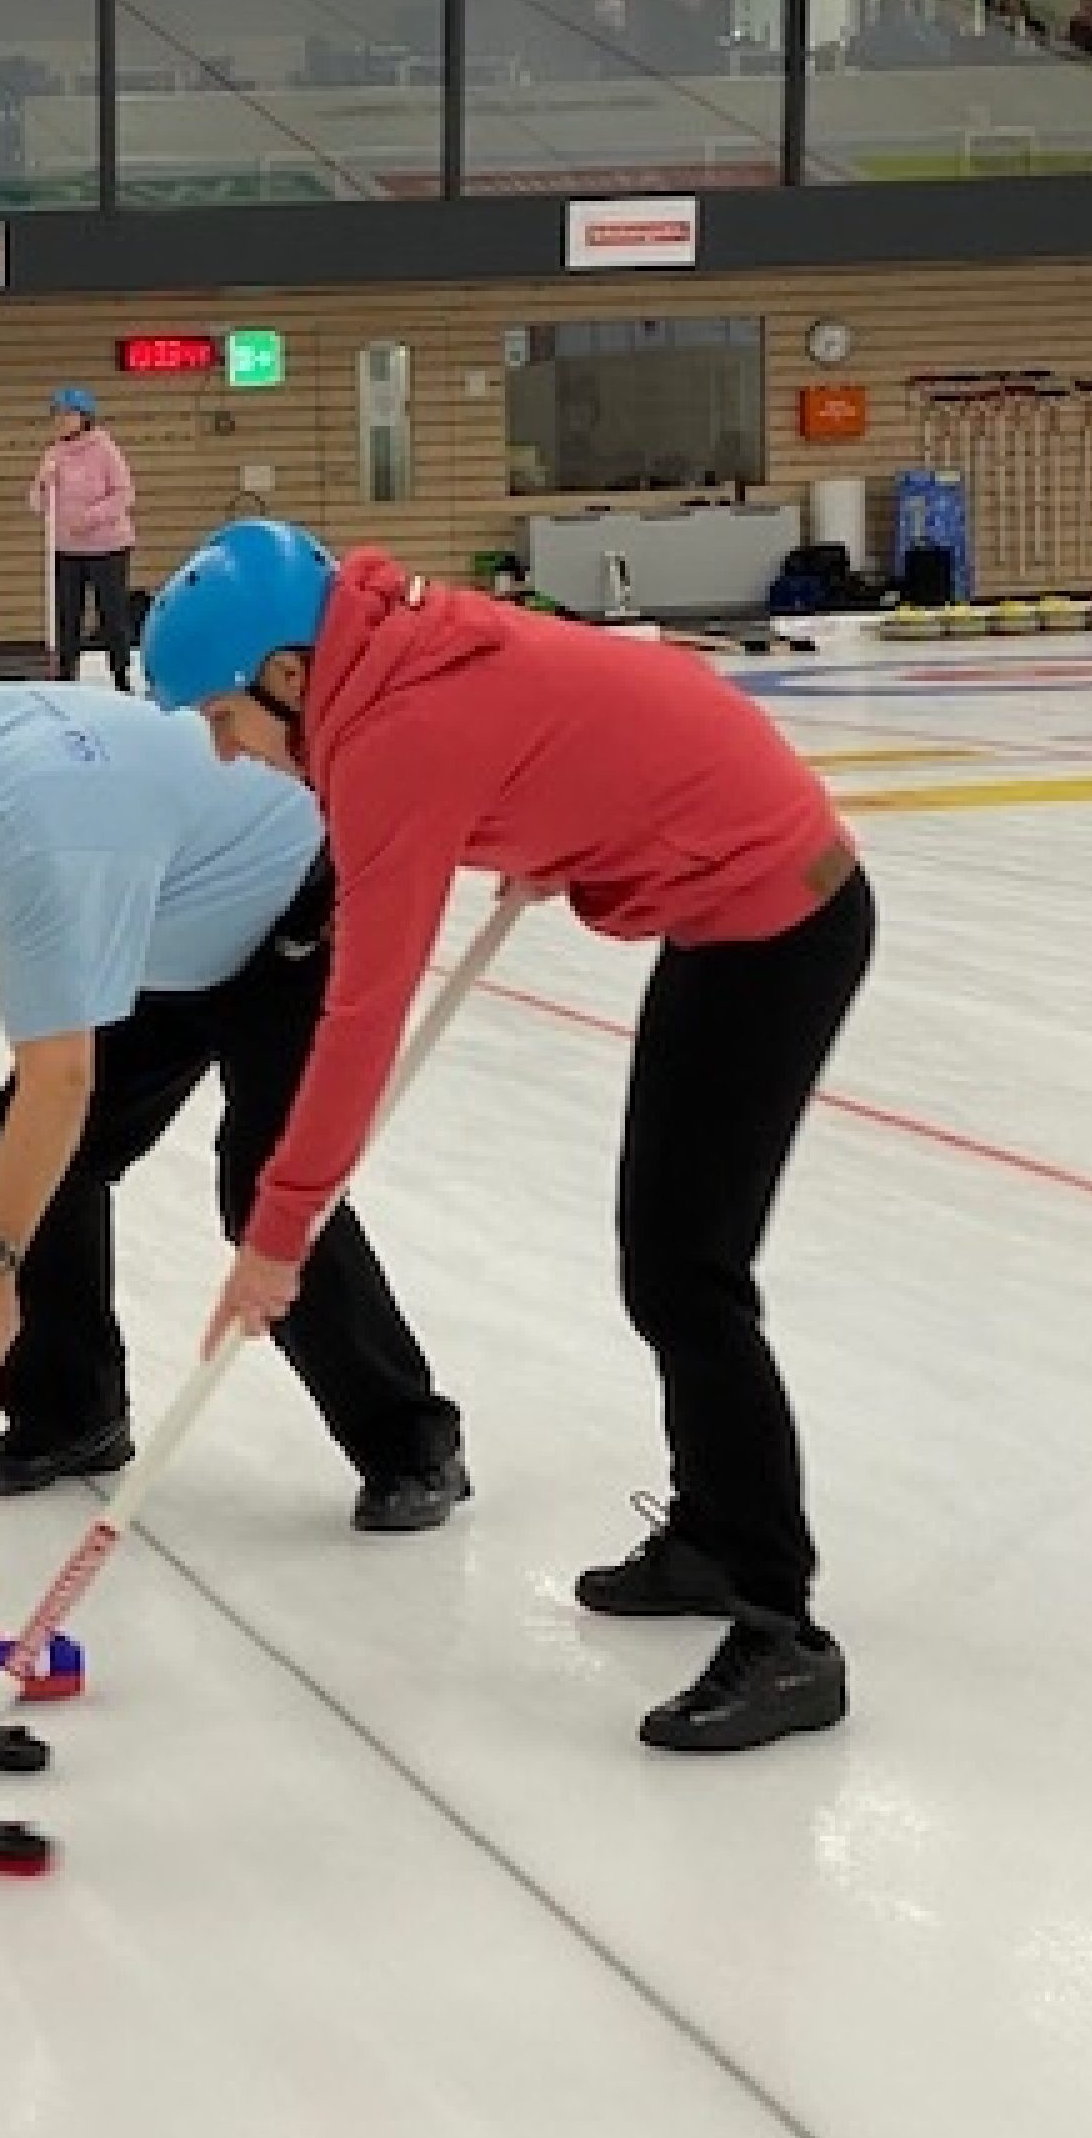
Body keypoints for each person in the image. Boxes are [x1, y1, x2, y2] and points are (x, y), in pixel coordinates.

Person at [141, 519, 874, 1756]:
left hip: (778, 922)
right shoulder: (391, 651)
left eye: (224, 717)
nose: (227, 751)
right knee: (666, 1262)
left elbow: (360, 1015)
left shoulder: (391, 735)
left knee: (691, 1280)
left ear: (284, 674)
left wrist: (279, 1232)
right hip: (727, 906)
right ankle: (707, 1532)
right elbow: (577, 710)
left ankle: (781, 1623)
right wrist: (566, 823)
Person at [0, 684, 466, 1530]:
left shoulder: (47, 834)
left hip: (290, 918)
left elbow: (60, 1083)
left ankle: (410, 1440)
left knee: (272, 1190)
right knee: (30, 1156)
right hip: (157, 923)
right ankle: (73, 1414)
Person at [30, 387, 137, 690]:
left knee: (111, 613)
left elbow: (125, 494)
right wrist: (41, 485)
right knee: (67, 613)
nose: (61, 420)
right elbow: (37, 504)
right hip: (66, 549)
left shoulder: (105, 449)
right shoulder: (53, 453)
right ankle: (66, 674)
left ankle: (120, 673)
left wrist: (90, 518)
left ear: (85, 418)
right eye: (57, 414)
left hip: (108, 547)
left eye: (68, 414)